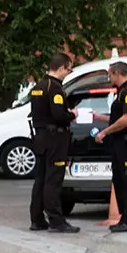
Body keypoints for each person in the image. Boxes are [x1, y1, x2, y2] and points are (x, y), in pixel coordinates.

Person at [29, 53, 80, 233]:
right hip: (55, 139)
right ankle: (56, 221)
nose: (68, 73)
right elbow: (59, 115)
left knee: (41, 178)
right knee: (53, 180)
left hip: (41, 137)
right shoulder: (55, 88)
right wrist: (72, 115)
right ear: (61, 68)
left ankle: (37, 219)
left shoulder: (39, 86)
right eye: (68, 69)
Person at [94, 60, 127, 232]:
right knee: (120, 179)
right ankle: (126, 218)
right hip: (121, 142)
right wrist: (99, 117)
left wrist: (105, 132)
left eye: (110, 74)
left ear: (117, 73)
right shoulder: (122, 92)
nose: (109, 77)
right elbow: (118, 117)